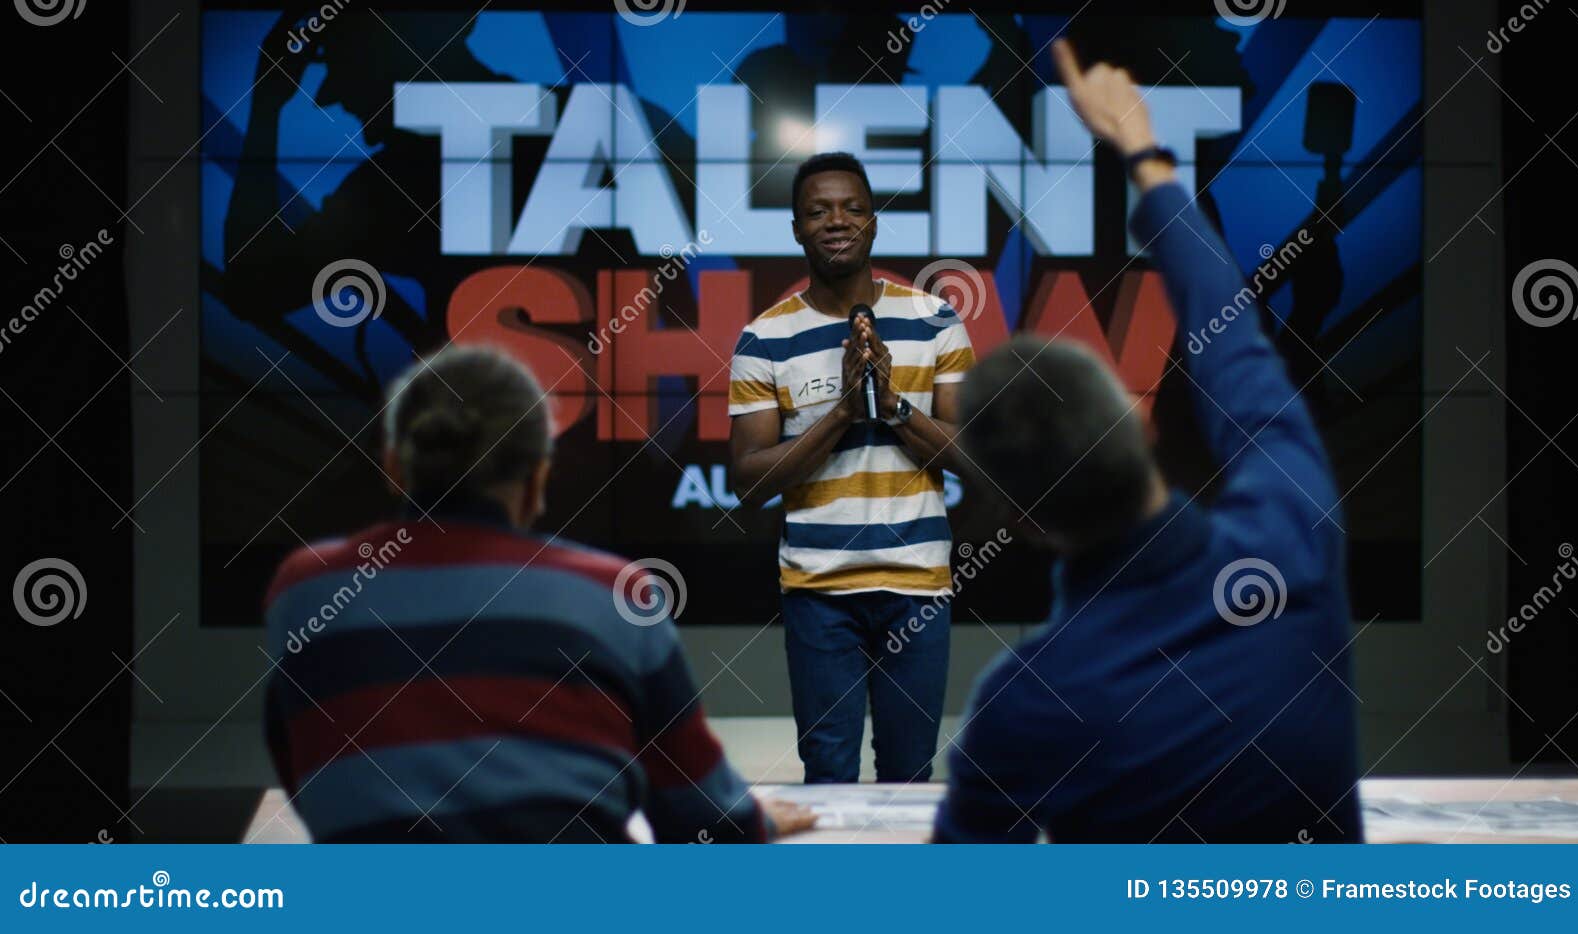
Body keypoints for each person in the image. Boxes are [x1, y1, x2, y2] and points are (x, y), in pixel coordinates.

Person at [933, 42, 1363, 843]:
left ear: (1020, 521)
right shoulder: (1292, 537)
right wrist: (1142, 149)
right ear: (1140, 424)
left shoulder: (1025, 704)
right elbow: (1232, 345)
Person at [262, 344, 814, 842]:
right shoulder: (616, 595)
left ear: (392, 469)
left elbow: (308, 777)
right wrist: (756, 820)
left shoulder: (306, 588)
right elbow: (703, 820)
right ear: (537, 480)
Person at [727, 152, 976, 783]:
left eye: (852, 208)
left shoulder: (935, 321)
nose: (836, 221)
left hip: (917, 586)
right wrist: (842, 412)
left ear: (873, 222)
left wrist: (892, 406)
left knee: (908, 777)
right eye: (818, 211)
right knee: (828, 777)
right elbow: (747, 480)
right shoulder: (764, 337)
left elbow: (974, 455)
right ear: (796, 229)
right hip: (819, 590)